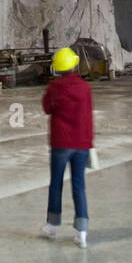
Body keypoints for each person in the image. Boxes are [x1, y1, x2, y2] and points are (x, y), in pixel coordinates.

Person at [40, 47, 93, 248]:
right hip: (81, 144)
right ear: (74, 65)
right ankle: (82, 232)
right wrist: (90, 143)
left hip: (61, 143)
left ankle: (52, 226)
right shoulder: (84, 87)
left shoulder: (54, 87)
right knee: (79, 186)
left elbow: (47, 108)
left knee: (56, 184)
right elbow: (88, 115)